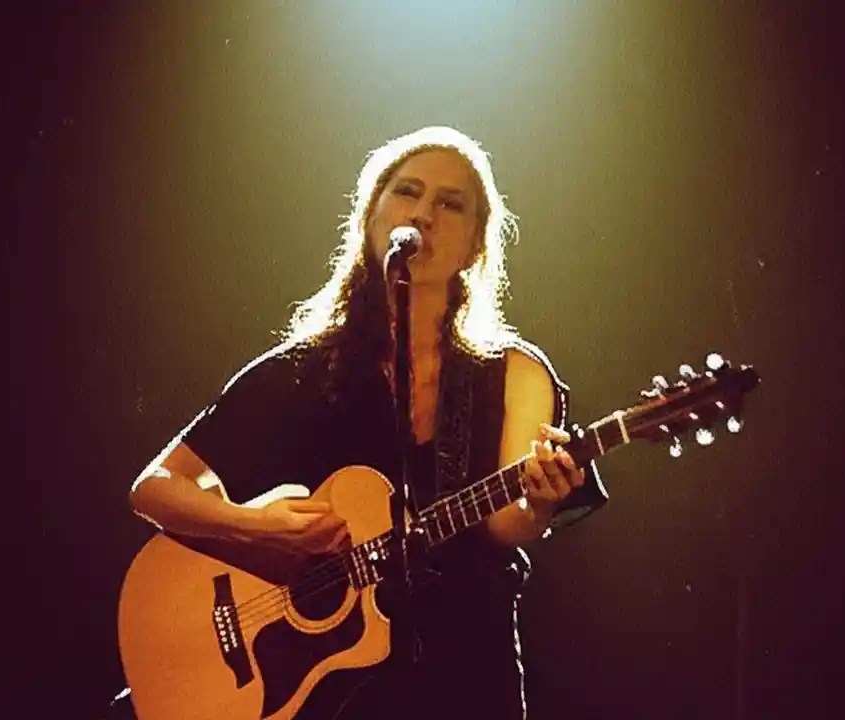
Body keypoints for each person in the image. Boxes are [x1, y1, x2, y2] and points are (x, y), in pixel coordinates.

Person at [126, 126, 604, 720]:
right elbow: (156, 487)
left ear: (477, 244)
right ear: (370, 217)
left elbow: (508, 526)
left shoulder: (515, 376)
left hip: (465, 673)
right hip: (329, 693)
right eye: (407, 192)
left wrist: (539, 503)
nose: (425, 213)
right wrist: (254, 527)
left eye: (450, 203)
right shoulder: (302, 369)